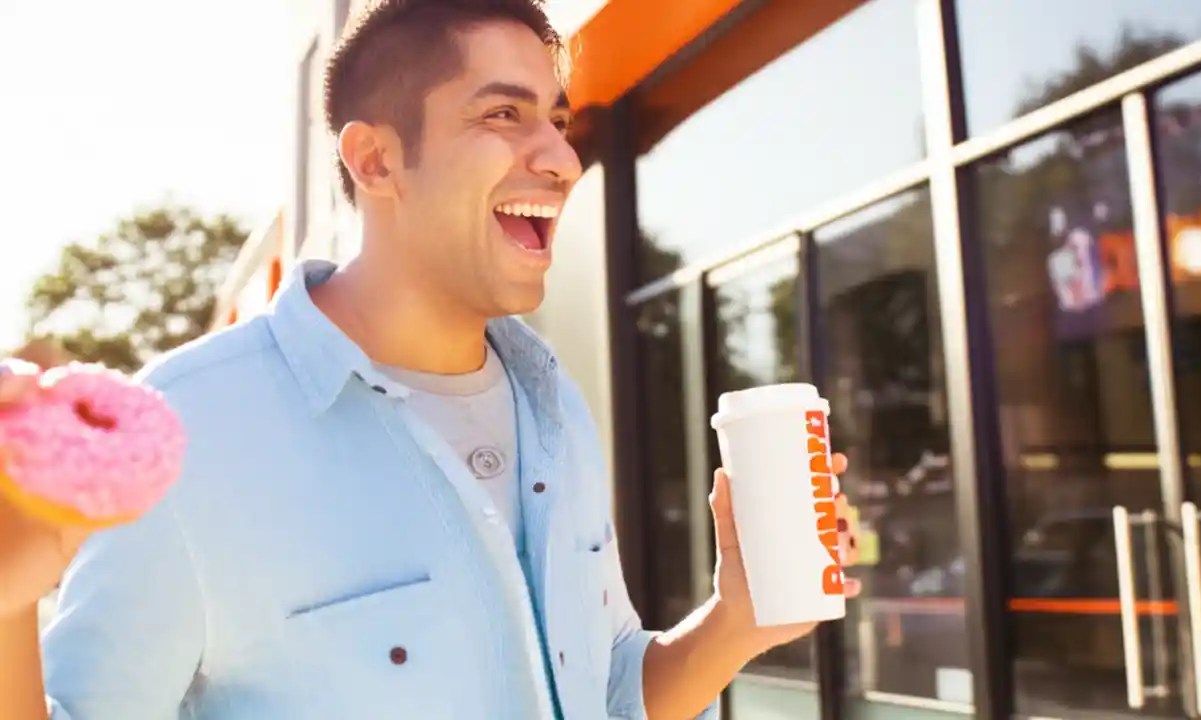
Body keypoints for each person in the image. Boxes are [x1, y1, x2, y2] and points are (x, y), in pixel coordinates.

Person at [0, 1, 859, 717]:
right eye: (502, 114)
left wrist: (739, 619)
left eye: (557, 122)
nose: (561, 157)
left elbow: (605, 688)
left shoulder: (553, 403)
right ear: (376, 159)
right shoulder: (192, 433)